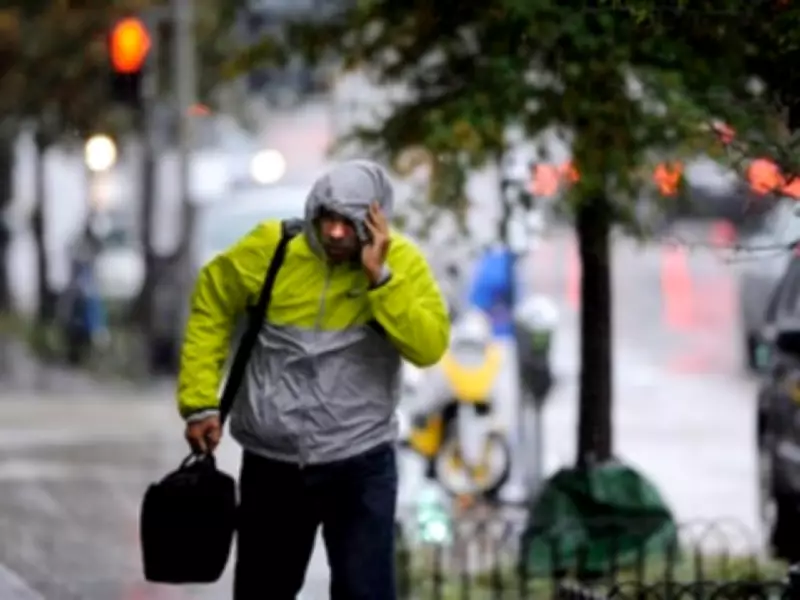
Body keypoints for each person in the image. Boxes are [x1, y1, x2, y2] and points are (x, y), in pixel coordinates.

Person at [177, 159, 450, 600]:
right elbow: (212, 299)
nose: (337, 233)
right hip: (274, 465)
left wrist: (380, 280)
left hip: (361, 464)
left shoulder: (401, 265)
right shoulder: (273, 249)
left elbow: (429, 346)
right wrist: (199, 403)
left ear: (376, 221)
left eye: (351, 222)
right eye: (328, 219)